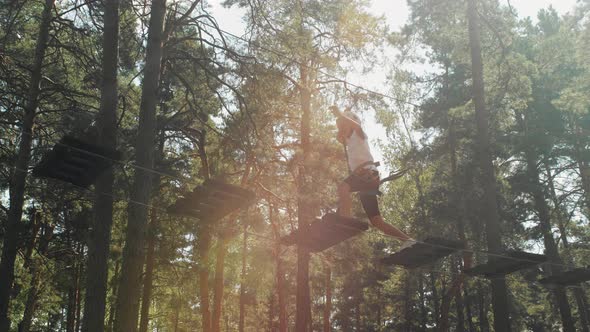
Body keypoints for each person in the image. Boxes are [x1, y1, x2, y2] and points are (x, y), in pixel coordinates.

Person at [331, 106, 416, 249]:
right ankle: (408, 240)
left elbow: (355, 125)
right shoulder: (349, 141)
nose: (343, 131)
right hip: (366, 180)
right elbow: (339, 137)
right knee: (376, 221)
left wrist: (341, 115)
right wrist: (341, 124)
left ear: (350, 123)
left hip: (366, 174)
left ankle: (346, 220)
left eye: (345, 126)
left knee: (343, 188)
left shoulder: (359, 134)